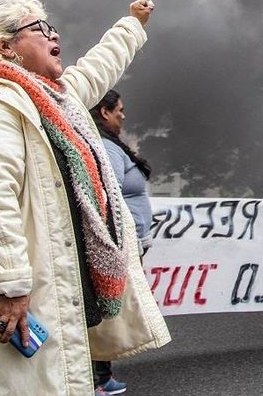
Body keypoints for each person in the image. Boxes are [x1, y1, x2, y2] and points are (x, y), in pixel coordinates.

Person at [0, 0, 169, 395]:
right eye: (39, 28)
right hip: (23, 288)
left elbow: (96, 68)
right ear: (5, 47)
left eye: (51, 27)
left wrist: (132, 24)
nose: (54, 34)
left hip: (49, 277)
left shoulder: (54, 101)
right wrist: (8, 284)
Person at [89, 90, 155, 396]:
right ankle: (99, 378)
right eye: (119, 110)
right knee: (108, 307)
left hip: (129, 242)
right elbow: (109, 196)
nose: (123, 116)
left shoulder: (109, 144)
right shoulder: (107, 146)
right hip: (123, 244)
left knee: (111, 306)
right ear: (104, 111)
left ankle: (101, 375)